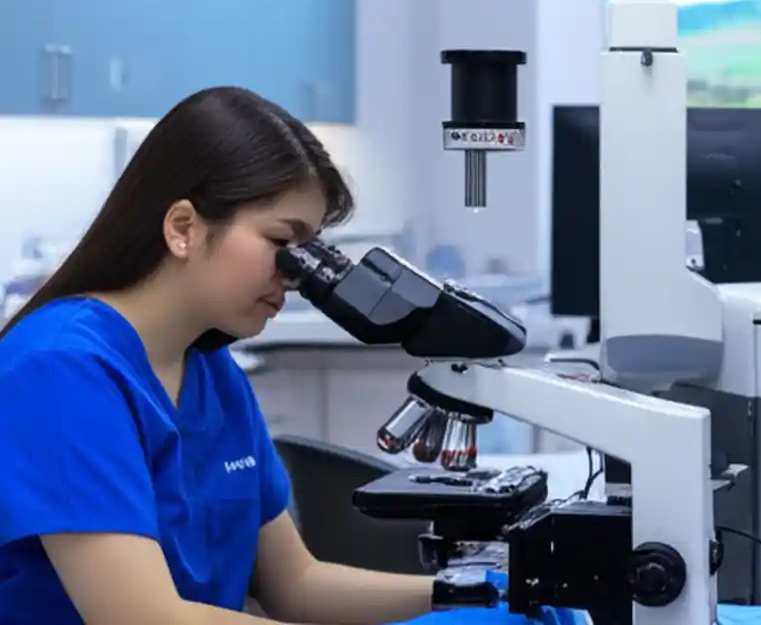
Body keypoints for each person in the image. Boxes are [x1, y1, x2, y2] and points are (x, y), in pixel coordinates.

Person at [0, 87, 573, 625]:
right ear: (183, 228)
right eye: (282, 242)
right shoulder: (62, 369)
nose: (297, 276)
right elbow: (144, 616)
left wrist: (463, 591)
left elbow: (294, 582)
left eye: (309, 249)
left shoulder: (211, 372)